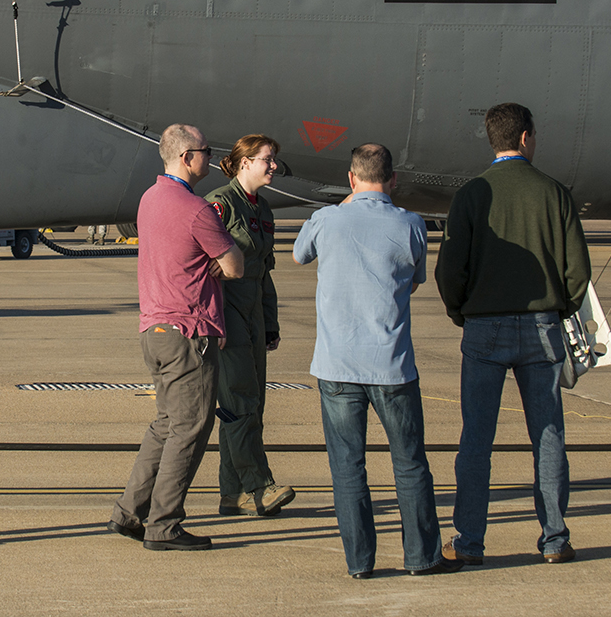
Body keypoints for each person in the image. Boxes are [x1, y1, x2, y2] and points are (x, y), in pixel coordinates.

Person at [292, 143, 460, 579]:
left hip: (337, 365)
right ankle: (422, 556)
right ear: (393, 179)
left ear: (351, 178)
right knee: (409, 463)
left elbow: (298, 253)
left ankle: (360, 562)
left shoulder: (327, 220)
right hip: (391, 364)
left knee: (348, 466)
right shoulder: (410, 224)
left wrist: (346, 203)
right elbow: (415, 280)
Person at [435, 102, 590, 565]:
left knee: (476, 440)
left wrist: (461, 311)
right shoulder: (554, 193)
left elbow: (450, 269)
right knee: (547, 437)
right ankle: (555, 538)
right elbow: (576, 272)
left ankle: (470, 541)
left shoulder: (471, 194)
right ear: (525, 137)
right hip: (542, 327)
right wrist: (561, 307)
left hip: (483, 327)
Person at [111, 123, 244, 551]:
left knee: (166, 424)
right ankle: (164, 524)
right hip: (189, 333)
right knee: (190, 428)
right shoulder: (196, 209)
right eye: (206, 150)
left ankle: (131, 512)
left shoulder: (150, 199)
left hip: (155, 329)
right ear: (188, 157)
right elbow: (235, 265)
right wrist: (224, 256)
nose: (211, 156)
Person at [206, 134, 293, 518]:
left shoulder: (264, 210)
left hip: (255, 314)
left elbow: (264, 271)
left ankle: (232, 493)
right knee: (241, 402)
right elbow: (204, 271)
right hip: (227, 314)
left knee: (249, 405)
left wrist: (270, 322)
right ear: (244, 163)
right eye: (267, 159)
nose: (273, 166)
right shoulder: (220, 205)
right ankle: (260, 486)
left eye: (274, 160)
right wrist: (214, 321)